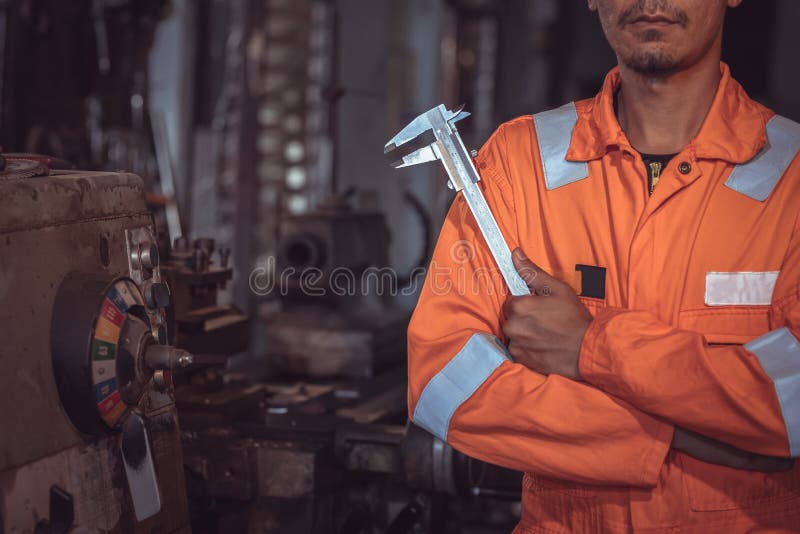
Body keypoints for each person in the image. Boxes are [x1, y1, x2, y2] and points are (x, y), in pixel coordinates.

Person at [407, 0, 800, 532]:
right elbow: (443, 379)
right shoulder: (516, 163)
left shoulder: (792, 178)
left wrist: (588, 347)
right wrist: (668, 440)